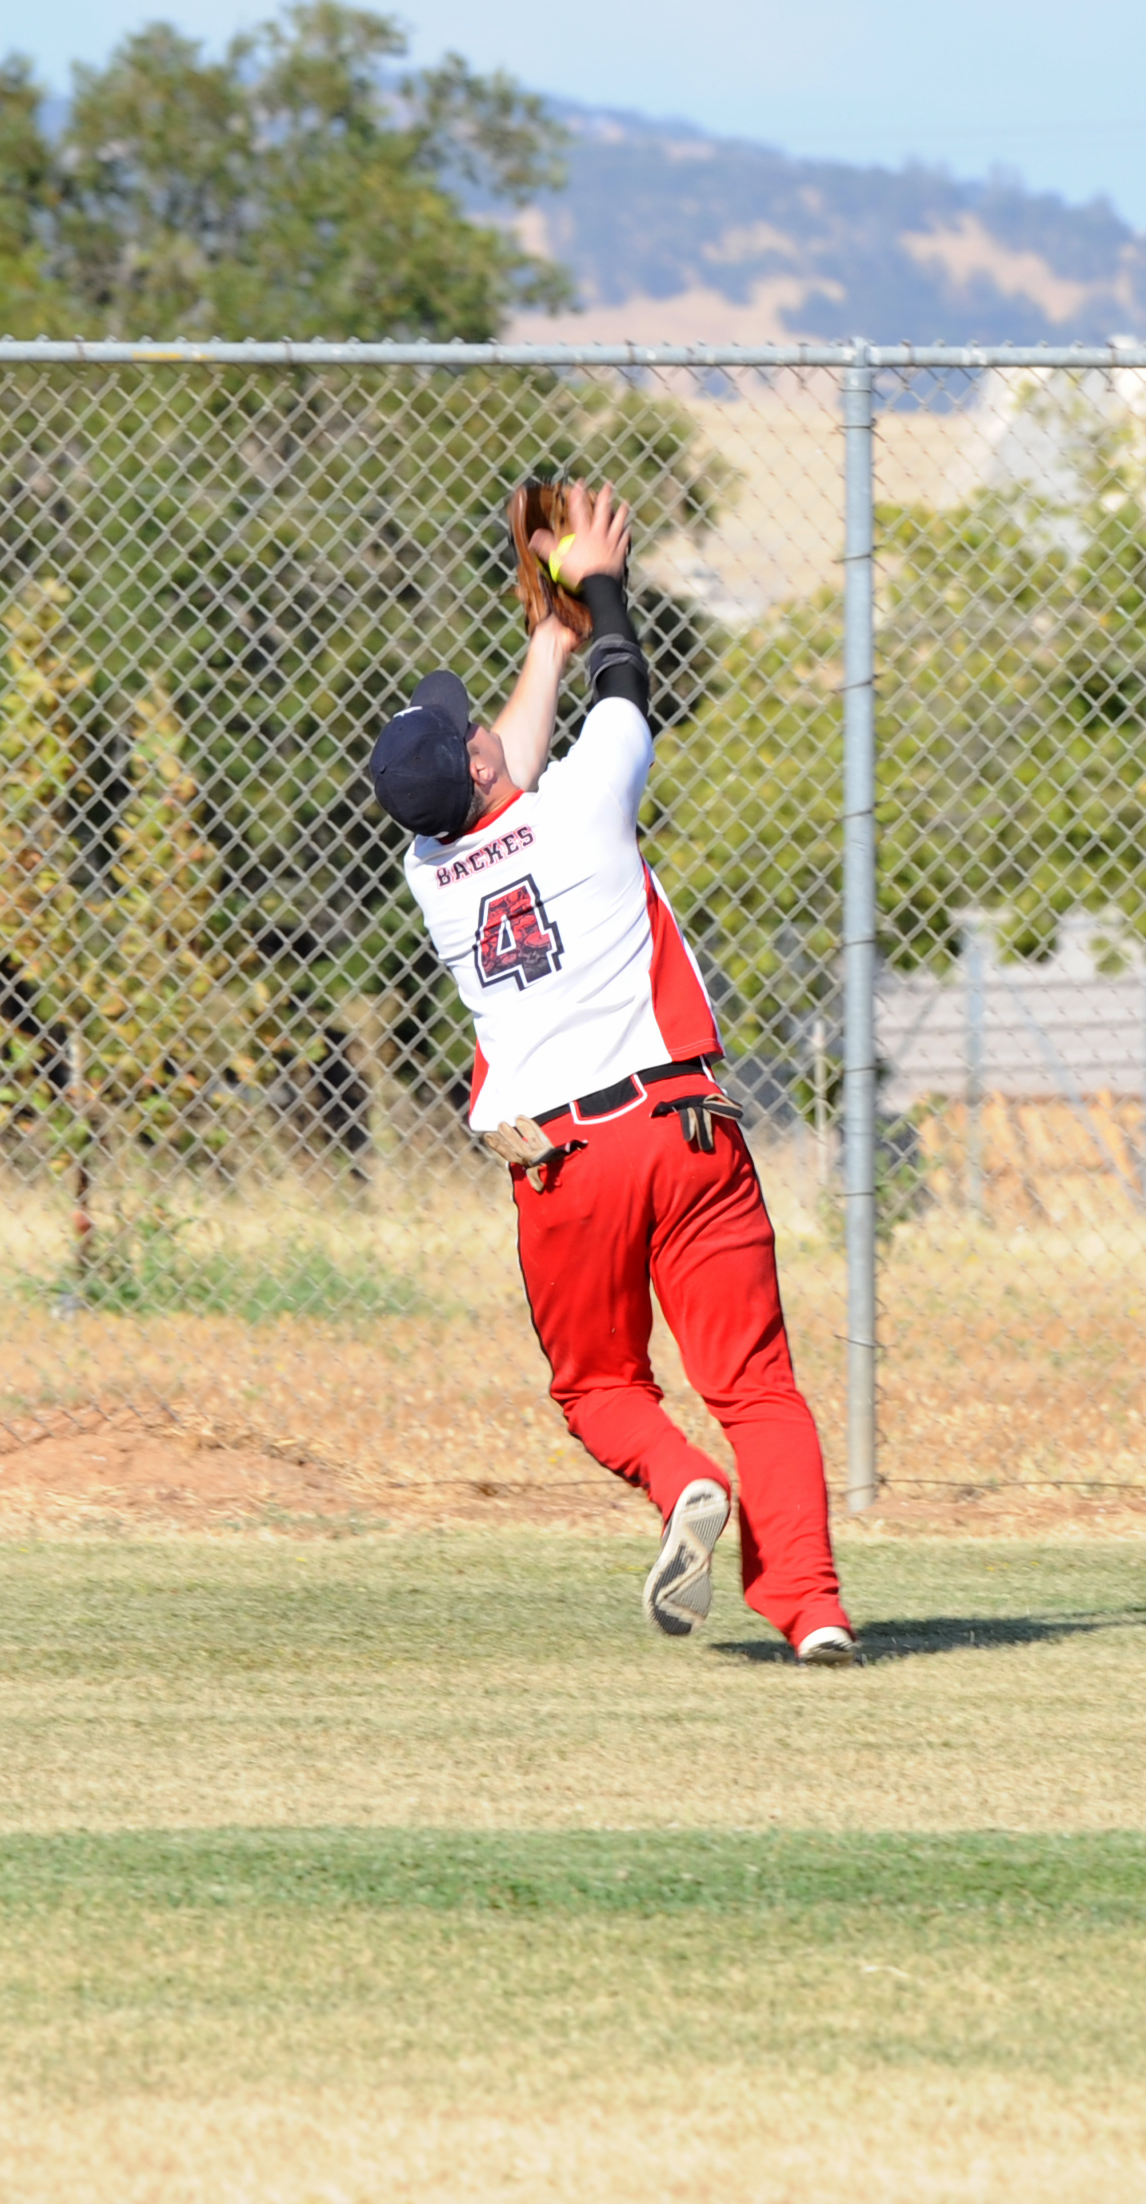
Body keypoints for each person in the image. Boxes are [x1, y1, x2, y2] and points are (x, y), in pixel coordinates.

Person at [369, 480, 855, 1665]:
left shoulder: (429, 872)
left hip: (563, 1164)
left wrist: (547, 634)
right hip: (686, 1130)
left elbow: (505, 768)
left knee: (596, 1388)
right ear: (480, 756)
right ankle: (814, 1610)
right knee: (757, 1387)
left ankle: (682, 1482)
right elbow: (625, 684)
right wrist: (597, 580)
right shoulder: (584, 803)